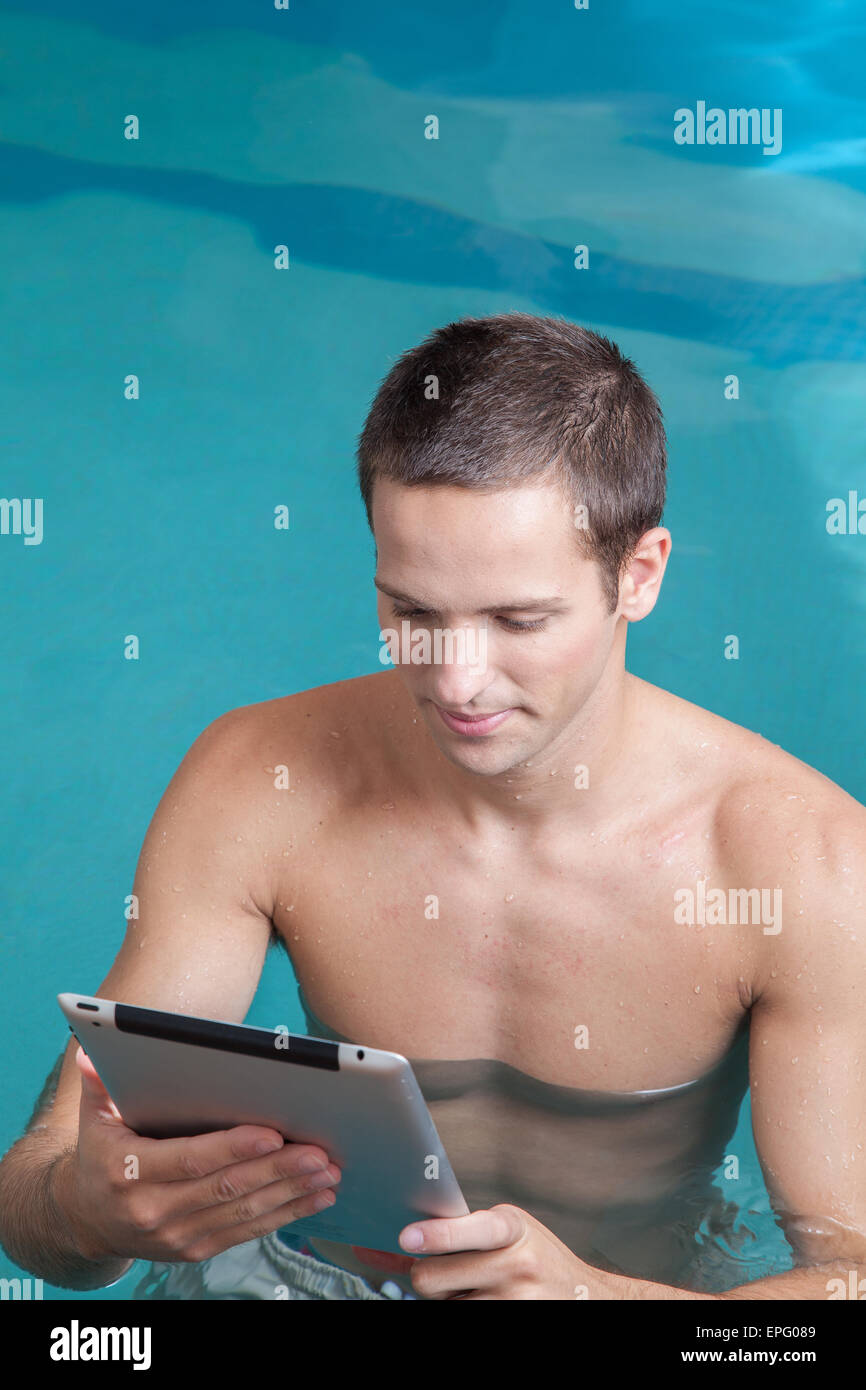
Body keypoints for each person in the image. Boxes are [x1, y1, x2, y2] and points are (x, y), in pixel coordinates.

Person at [1, 312, 863, 1301]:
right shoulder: (258, 782)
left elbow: (847, 1282)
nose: (455, 681)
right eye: (411, 611)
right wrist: (82, 1210)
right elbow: (33, 1198)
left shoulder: (799, 866)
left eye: (517, 619)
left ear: (638, 575)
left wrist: (593, 1298)